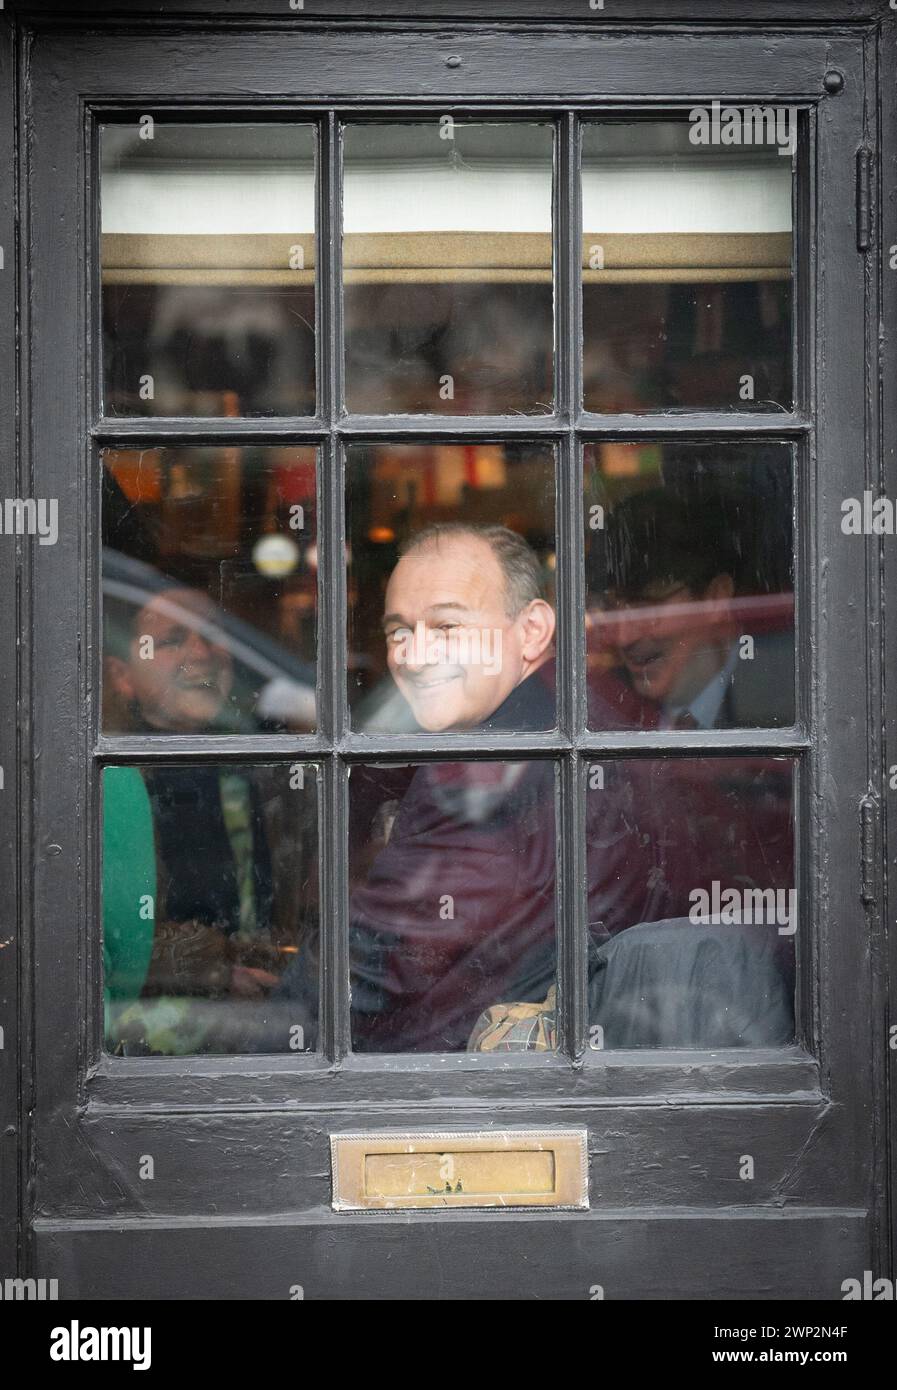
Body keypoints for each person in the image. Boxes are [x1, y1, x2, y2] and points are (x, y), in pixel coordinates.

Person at [103, 583, 317, 1049]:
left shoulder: (269, 765)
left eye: (212, 636)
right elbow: (98, 938)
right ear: (122, 676)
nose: (201, 652)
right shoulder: (109, 778)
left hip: (270, 1022)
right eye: (173, 640)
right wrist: (219, 972)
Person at [589, 487, 794, 730]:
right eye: (611, 609)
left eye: (646, 608)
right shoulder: (605, 706)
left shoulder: (787, 697)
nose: (623, 637)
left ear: (716, 597)